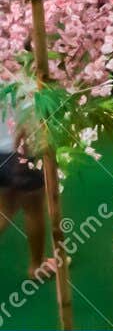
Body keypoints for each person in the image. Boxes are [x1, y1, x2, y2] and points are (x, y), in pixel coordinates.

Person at [0, 105, 50, 282]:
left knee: (5, 208)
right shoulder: (25, 78)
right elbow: (29, 112)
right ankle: (36, 266)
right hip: (22, 150)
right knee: (34, 210)